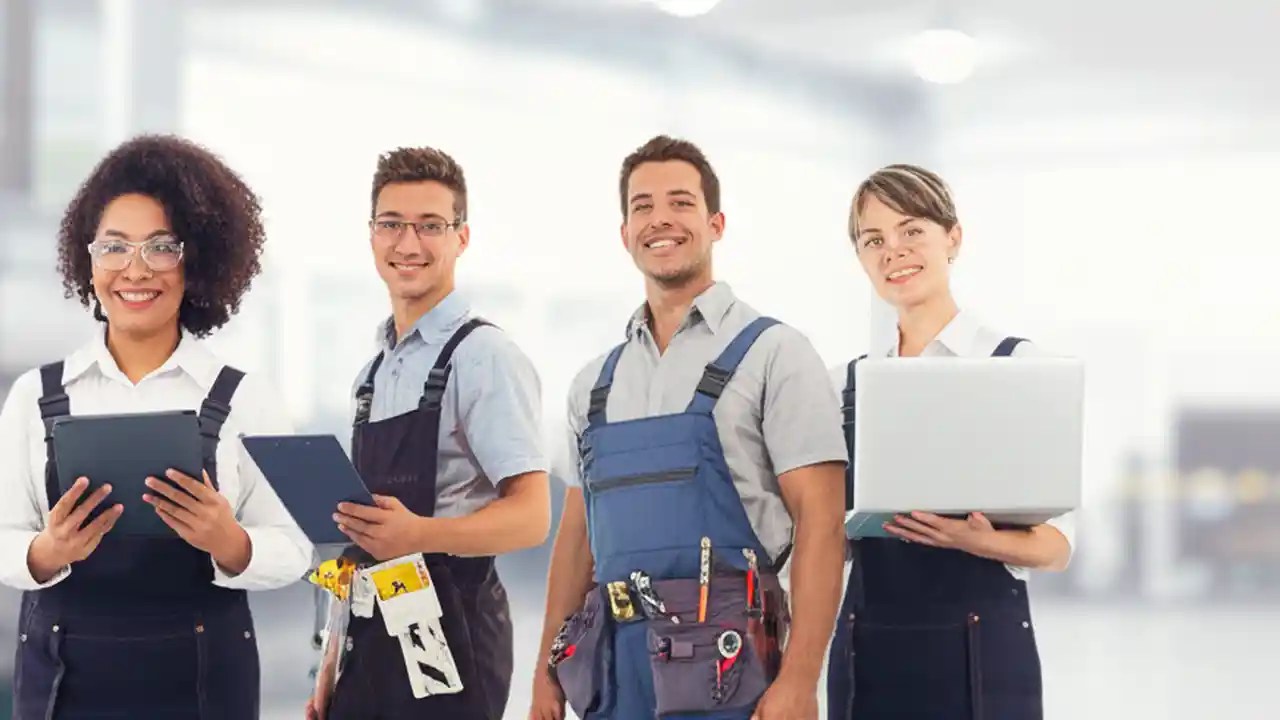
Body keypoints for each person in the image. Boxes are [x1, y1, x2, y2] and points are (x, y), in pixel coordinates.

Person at [528, 135, 847, 720]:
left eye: (680, 202)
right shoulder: (593, 384)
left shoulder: (775, 354)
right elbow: (576, 540)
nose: (660, 220)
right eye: (642, 206)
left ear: (716, 222)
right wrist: (546, 673)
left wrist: (800, 682)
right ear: (624, 233)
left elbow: (822, 525)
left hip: (737, 669)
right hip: (614, 672)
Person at [0, 134, 314, 719]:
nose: (134, 270)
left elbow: (296, 548)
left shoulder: (251, 397)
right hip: (63, 685)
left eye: (160, 247)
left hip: (202, 687)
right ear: (87, 260)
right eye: (114, 247)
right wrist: (47, 551)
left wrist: (232, 542)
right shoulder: (32, 397)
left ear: (196, 261)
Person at [306, 146, 551, 720]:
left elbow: (532, 516)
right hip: (368, 640)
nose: (408, 243)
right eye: (391, 224)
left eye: (429, 226)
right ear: (371, 235)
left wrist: (420, 533)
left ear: (461, 238)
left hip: (451, 634)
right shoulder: (372, 373)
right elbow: (361, 543)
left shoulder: (483, 356)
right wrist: (332, 663)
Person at [825, 164, 1075, 720]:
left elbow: (1058, 545)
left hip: (981, 653)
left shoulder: (1017, 367)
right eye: (874, 240)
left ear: (952, 238)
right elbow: (820, 535)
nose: (893, 251)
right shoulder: (842, 385)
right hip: (868, 651)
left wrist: (978, 541)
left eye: (912, 230)